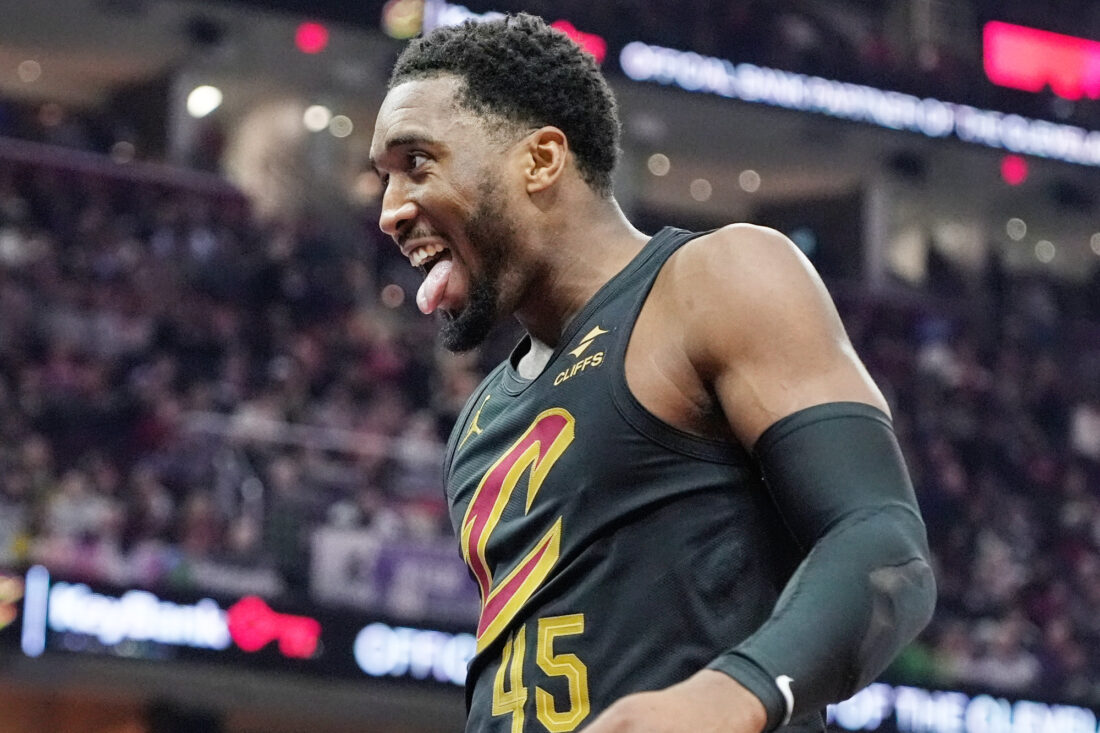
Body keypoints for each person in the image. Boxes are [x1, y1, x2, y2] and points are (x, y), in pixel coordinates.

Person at [369, 13, 936, 733]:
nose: (389, 211)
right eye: (384, 177)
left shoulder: (711, 280)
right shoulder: (480, 419)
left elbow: (884, 544)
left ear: (540, 160)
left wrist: (734, 693)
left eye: (418, 163)